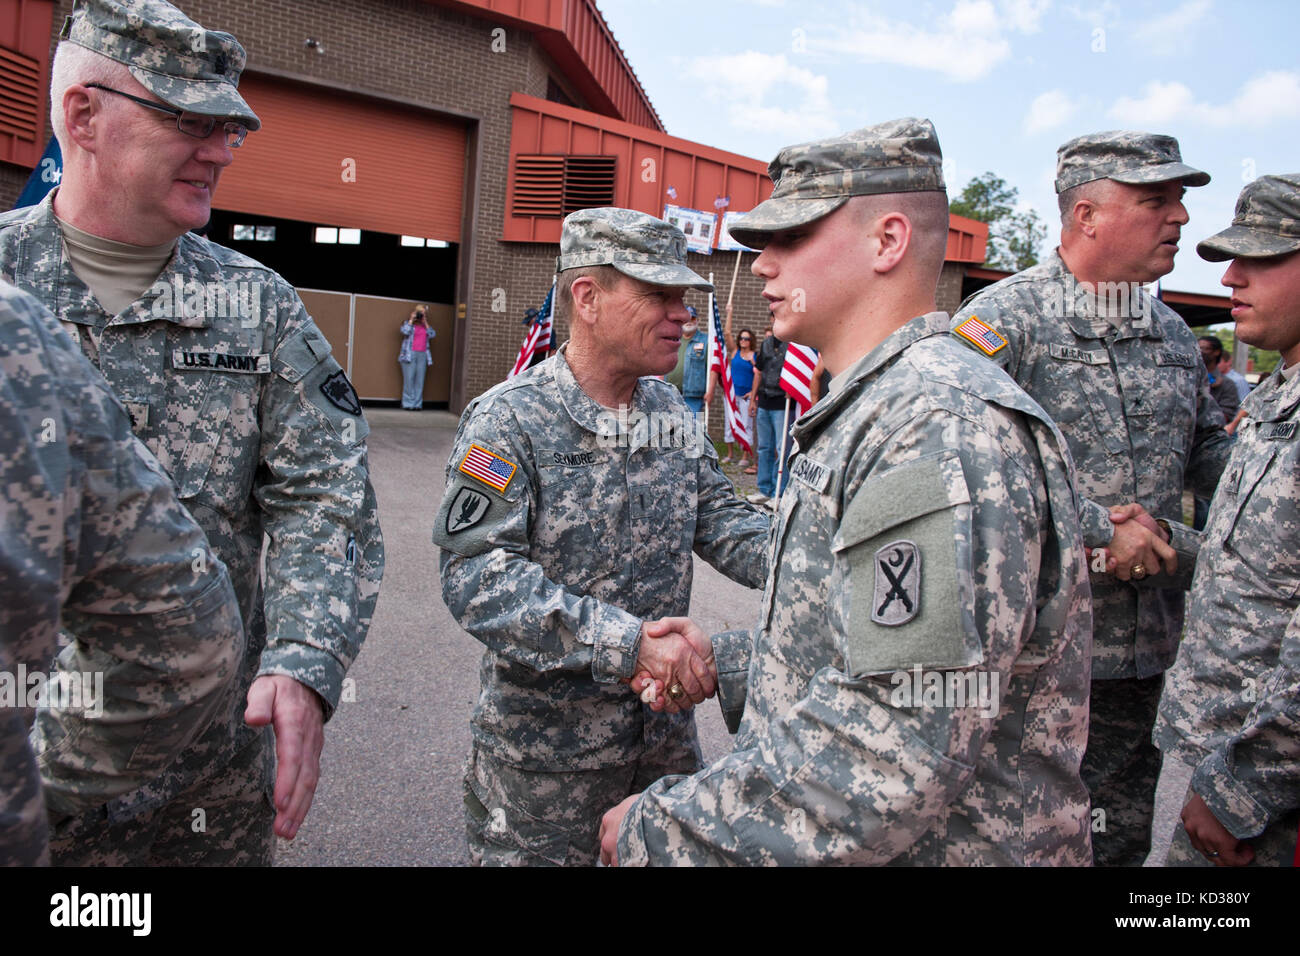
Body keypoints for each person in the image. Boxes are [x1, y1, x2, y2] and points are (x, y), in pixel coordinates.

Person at [599, 118, 1093, 867]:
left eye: (791, 237)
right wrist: (738, 666)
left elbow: (892, 745)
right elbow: (879, 646)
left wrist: (664, 829)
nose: (762, 264)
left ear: (887, 241)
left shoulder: (934, 425)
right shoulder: (887, 408)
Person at [0, 0, 384, 864]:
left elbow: (325, 498)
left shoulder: (259, 307)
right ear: (82, 115)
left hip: (206, 788)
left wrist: (303, 656)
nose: (218, 149)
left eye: (228, 128)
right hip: (26, 788)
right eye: (185, 119)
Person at [433, 207, 771, 866]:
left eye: (685, 298)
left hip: (661, 753)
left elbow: (724, 521)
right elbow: (476, 577)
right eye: (659, 295)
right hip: (547, 771)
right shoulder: (509, 422)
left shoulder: (673, 413)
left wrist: (824, 548)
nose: (682, 314)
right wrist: (625, 645)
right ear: (587, 298)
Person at [950, 131, 1233, 867]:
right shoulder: (1001, 323)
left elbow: (1212, 458)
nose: (1178, 219)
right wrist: (1098, 529)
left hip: (1143, 658)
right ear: (1086, 215)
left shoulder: (1172, 334)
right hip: (1037, 660)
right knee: (1019, 845)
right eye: (1156, 201)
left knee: (1115, 845)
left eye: (1180, 201)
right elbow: (960, 466)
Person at [1, 279, 243, 865]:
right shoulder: (17, 320)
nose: (221, 177)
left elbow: (323, 494)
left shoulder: (256, 295)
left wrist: (304, 662)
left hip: (210, 772)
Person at [1154, 173, 1300, 866]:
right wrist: (1173, 548)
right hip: (1224, 752)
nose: (1233, 278)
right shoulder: (1281, 394)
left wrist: (1245, 787)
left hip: (1261, 787)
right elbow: (1268, 565)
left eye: (1262, 259)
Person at [749, 330, 792, 505]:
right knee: (764, 447)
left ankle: (779, 492)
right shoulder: (766, 344)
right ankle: (764, 489)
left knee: (782, 450)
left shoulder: (793, 345)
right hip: (764, 401)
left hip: (782, 403)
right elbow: (758, 372)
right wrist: (753, 399)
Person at [666, 305, 709, 413]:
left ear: (697, 320)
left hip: (693, 396)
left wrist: (710, 391)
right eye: (687, 318)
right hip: (670, 393)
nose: (689, 321)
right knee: (671, 428)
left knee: (690, 428)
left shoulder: (706, 341)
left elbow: (712, 368)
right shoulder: (672, 338)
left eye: (693, 318)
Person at [398, 305, 434, 409]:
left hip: (422, 355)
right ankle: (408, 404)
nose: (420, 315)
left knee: (420, 380)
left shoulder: (425, 326)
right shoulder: (408, 324)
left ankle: (417, 404)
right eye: (419, 313)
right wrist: (411, 319)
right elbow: (405, 331)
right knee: (409, 380)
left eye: (422, 313)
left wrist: (425, 322)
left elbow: (432, 334)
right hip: (409, 355)